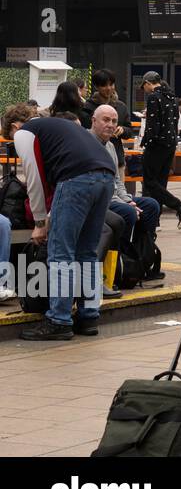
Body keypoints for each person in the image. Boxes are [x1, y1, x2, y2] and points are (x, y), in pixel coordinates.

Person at [10, 107, 117, 340]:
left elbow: (34, 177)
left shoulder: (23, 133)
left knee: (61, 253)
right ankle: (89, 316)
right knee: (87, 252)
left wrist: (39, 221)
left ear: (14, 127)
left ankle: (59, 320)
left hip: (76, 179)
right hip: (106, 177)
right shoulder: (59, 126)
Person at [91, 105, 163, 285]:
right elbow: (101, 185)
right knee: (128, 213)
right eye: (106, 120)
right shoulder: (87, 144)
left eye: (114, 121)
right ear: (93, 121)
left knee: (151, 205)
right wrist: (125, 204)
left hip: (114, 196)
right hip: (99, 199)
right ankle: (119, 264)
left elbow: (116, 180)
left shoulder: (111, 146)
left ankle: (143, 258)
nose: (111, 125)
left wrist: (128, 199)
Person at [139, 72, 181, 229]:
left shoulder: (153, 97)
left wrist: (146, 142)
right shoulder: (172, 97)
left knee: (149, 181)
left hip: (156, 145)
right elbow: (175, 122)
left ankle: (179, 206)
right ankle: (155, 221)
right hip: (170, 144)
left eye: (144, 86)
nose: (145, 90)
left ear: (148, 83)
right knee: (161, 183)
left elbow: (152, 125)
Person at [87, 69, 131, 168]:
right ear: (96, 86)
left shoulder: (121, 106)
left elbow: (129, 131)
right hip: (93, 160)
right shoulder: (88, 107)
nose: (108, 88)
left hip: (117, 160)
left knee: (118, 183)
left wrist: (123, 130)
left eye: (111, 85)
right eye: (104, 85)